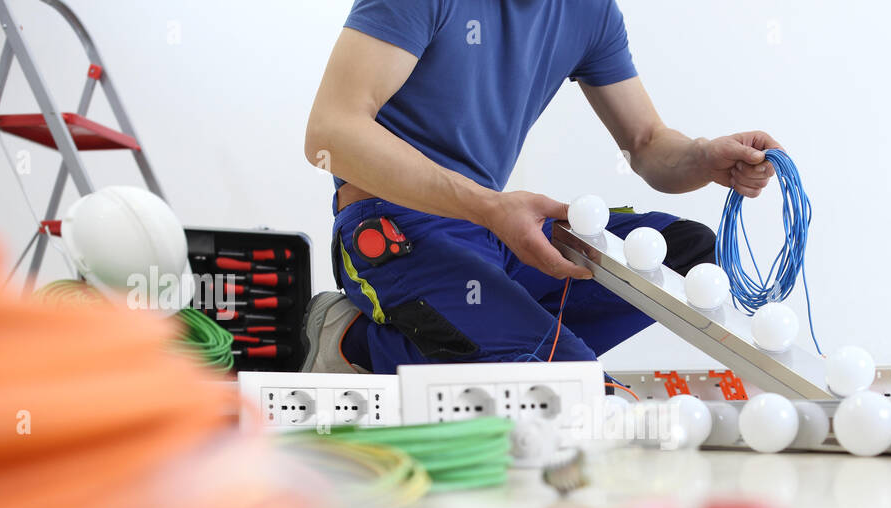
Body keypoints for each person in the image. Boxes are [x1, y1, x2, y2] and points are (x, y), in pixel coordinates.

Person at [302, 0, 781, 374]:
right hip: (396, 228)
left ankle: (475, 340)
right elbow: (329, 133)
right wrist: (488, 207)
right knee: (565, 384)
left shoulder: (590, 11)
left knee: (686, 255)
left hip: (493, 229)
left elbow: (647, 143)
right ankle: (355, 341)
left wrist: (702, 156)